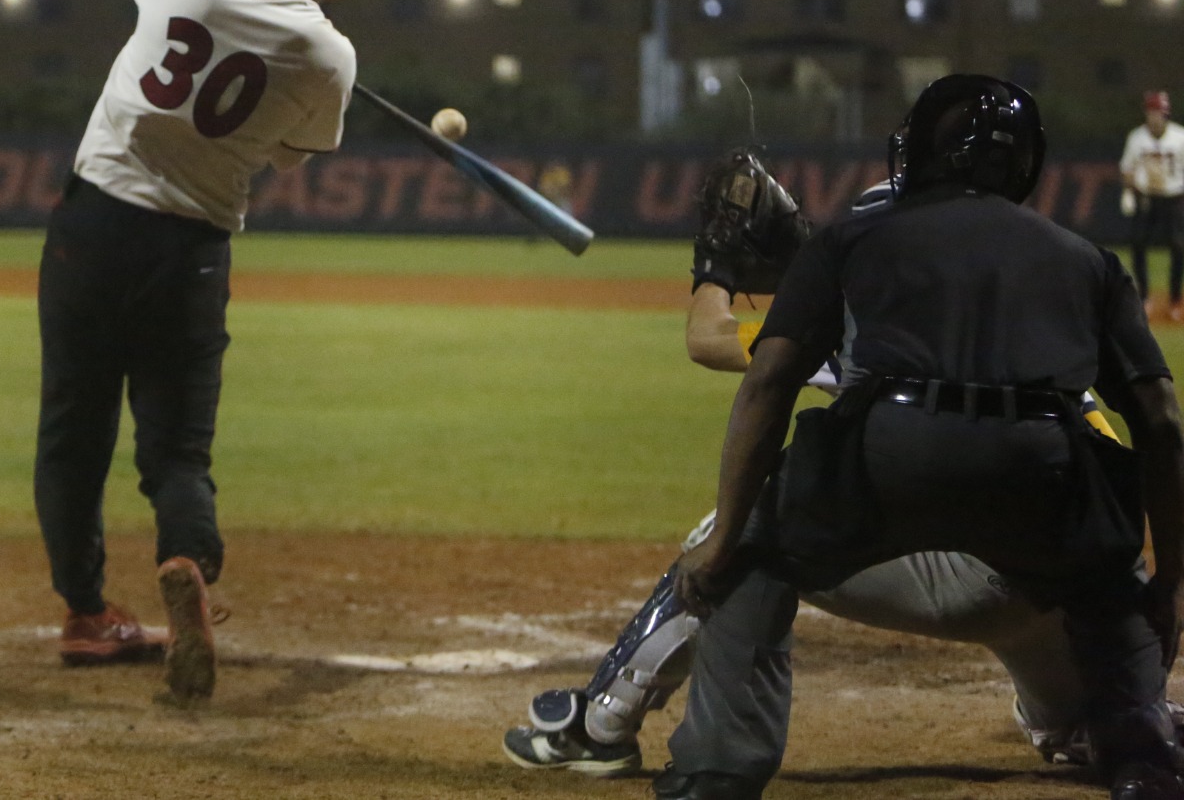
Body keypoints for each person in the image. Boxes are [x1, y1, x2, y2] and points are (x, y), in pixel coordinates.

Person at [501, 160, 1144, 778]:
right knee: (1075, 716)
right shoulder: (1044, 324)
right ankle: (1091, 722)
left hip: (956, 575)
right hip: (1053, 580)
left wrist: (717, 266)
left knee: (725, 536)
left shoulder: (864, 336)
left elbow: (707, 339)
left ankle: (599, 728)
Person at [659, 76, 1184, 800]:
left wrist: (723, 547)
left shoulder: (853, 235)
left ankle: (717, 770)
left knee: (749, 542)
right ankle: (1141, 757)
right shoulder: (1084, 257)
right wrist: (1169, 581)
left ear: (920, 153)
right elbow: (1160, 419)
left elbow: (768, 381)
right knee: (1107, 569)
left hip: (891, 457)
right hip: (1038, 471)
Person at [34, 0, 378, 701]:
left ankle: (86, 612)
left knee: (73, 434)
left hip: (88, 231)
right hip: (186, 254)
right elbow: (295, 151)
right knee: (177, 449)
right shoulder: (328, 54)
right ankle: (187, 557)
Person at [1122, 90, 1184, 322]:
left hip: (1173, 196)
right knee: (1138, 243)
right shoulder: (1137, 137)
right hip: (1146, 197)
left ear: (1165, 113)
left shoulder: (1180, 137)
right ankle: (1145, 296)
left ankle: (1175, 299)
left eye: (1158, 112)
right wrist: (1129, 191)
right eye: (1151, 112)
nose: (1154, 117)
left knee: (1178, 246)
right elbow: (1127, 169)